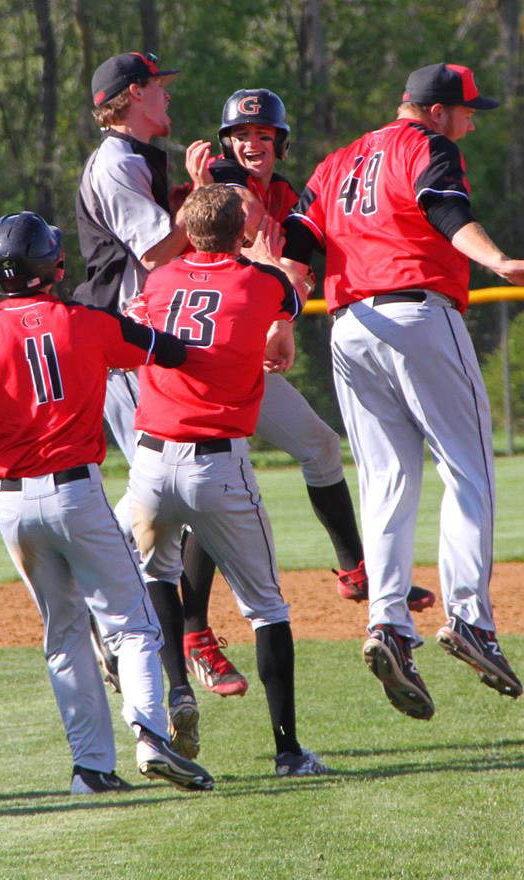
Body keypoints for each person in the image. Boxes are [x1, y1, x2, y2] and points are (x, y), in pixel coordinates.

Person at [282, 63, 524, 721]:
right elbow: (445, 207)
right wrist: (497, 260)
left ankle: (389, 624)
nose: (471, 123)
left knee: (385, 481)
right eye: (466, 111)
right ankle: (470, 618)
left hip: (349, 328)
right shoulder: (427, 146)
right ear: (435, 111)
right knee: (467, 469)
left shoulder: (336, 162)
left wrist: (279, 313)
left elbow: (297, 243)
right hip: (417, 313)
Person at [0, 211, 212, 794]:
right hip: (74, 491)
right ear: (51, 264)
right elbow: (171, 352)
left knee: (64, 635)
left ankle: (91, 770)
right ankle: (151, 737)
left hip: (11, 503)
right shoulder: (84, 320)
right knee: (133, 623)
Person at [165, 89, 436, 705]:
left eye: (263, 135)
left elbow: (294, 265)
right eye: (240, 135)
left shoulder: (287, 196)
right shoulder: (215, 186)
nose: (251, 144)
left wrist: (281, 308)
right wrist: (210, 193)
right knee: (213, 485)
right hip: (200, 369)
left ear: (280, 142)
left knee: (319, 446)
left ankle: (356, 570)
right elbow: (227, 233)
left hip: (245, 360)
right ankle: (192, 630)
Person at [70, 52, 255, 713]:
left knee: (179, 490)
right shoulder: (115, 162)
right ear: (131, 95)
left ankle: (166, 630)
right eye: (158, 87)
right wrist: (201, 199)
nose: (167, 97)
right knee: (163, 492)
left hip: (152, 340)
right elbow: (156, 250)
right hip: (130, 346)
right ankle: (113, 615)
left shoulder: (139, 156)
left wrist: (193, 193)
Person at [124, 184, 327, 777]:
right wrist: (263, 255)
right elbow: (292, 295)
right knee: (266, 608)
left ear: (187, 232)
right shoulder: (258, 282)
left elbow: (135, 328)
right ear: (241, 231)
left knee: (157, 575)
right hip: (217, 460)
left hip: (150, 458)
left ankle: (178, 689)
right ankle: (288, 752)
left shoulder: (158, 280)